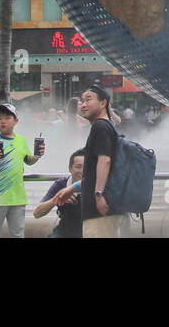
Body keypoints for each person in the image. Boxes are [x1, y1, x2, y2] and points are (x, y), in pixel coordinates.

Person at [0, 102, 43, 237]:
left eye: (7, 118)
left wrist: (37, 155)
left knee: (18, 234)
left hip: (18, 197)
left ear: (16, 121)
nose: (2, 122)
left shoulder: (21, 141)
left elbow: (28, 160)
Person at [79, 84, 123, 237]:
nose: (83, 105)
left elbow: (105, 160)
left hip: (98, 208)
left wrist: (99, 195)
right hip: (108, 205)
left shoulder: (100, 126)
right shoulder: (108, 125)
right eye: (82, 101)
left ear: (103, 103)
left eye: (88, 100)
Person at [34, 148, 86, 238]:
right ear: (70, 169)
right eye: (78, 167)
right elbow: (37, 213)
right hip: (65, 231)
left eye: (87, 167)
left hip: (89, 230)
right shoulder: (61, 184)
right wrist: (57, 199)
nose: (82, 171)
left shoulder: (97, 185)